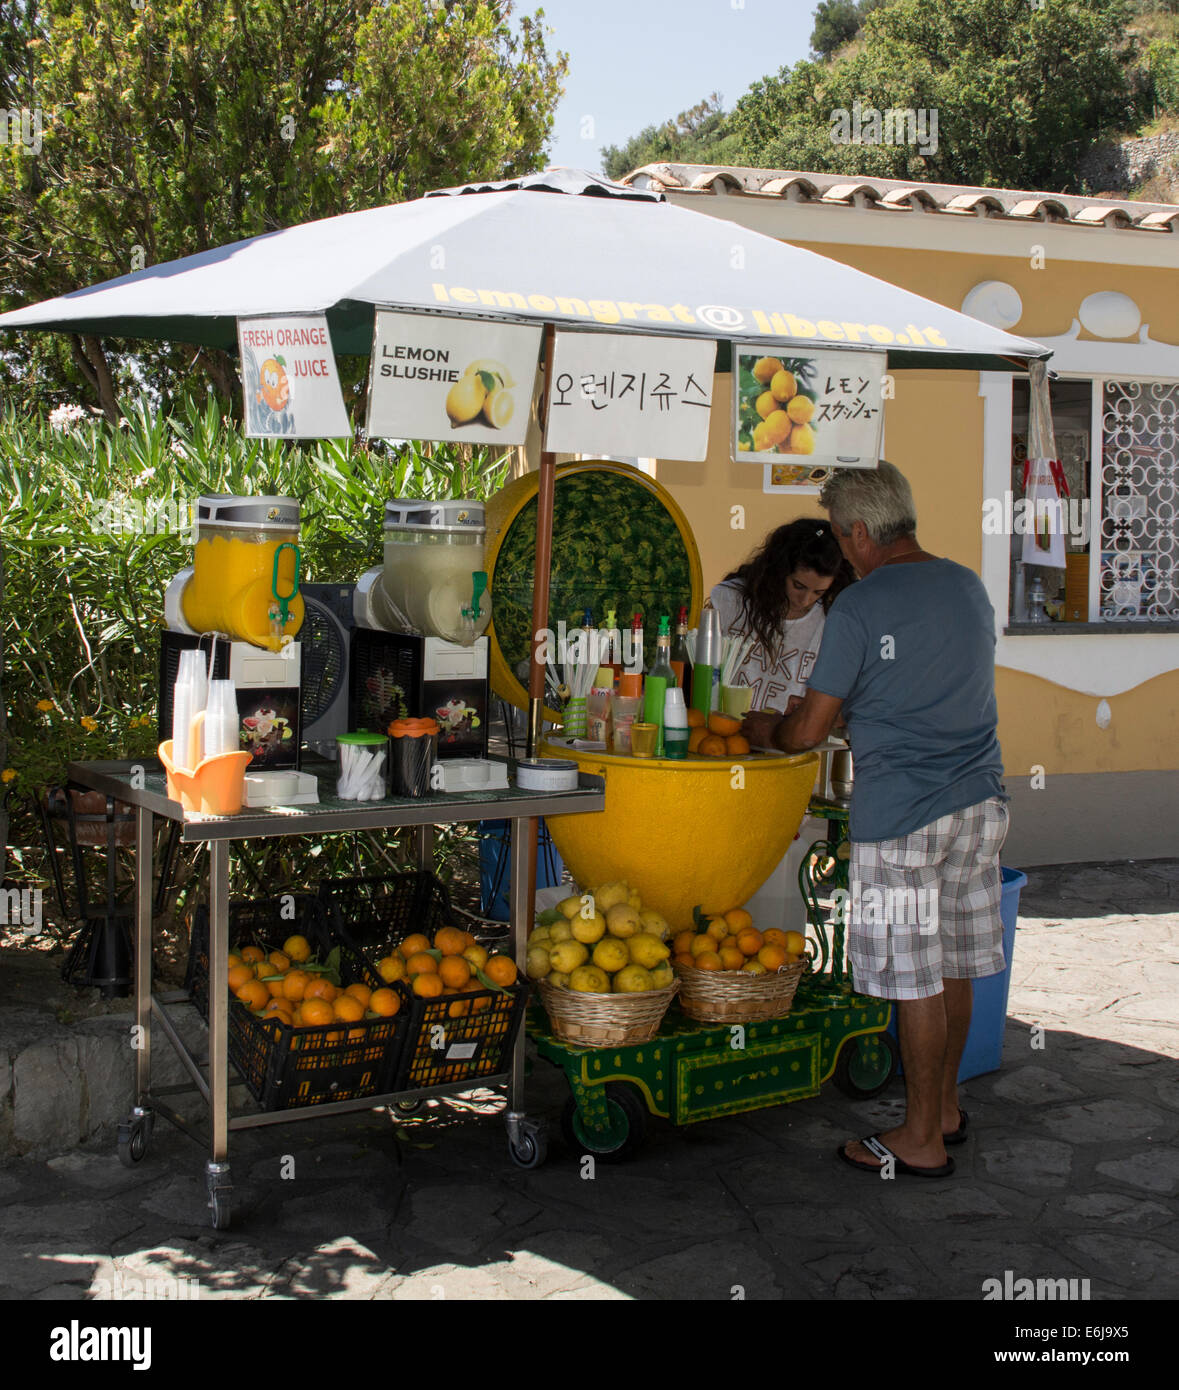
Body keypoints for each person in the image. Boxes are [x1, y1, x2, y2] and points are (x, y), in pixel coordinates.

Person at [742, 462, 1009, 1180]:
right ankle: (944, 1109)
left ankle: (919, 1138)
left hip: (903, 818)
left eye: (838, 533)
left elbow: (805, 734)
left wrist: (762, 728)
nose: (839, 548)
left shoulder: (860, 609)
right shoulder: (966, 584)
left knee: (912, 977)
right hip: (980, 803)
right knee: (953, 962)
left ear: (860, 531)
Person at [708, 518, 853, 710]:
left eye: (819, 593)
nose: (805, 600)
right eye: (798, 586)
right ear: (779, 571)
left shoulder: (830, 619)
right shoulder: (730, 599)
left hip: (784, 735)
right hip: (723, 730)